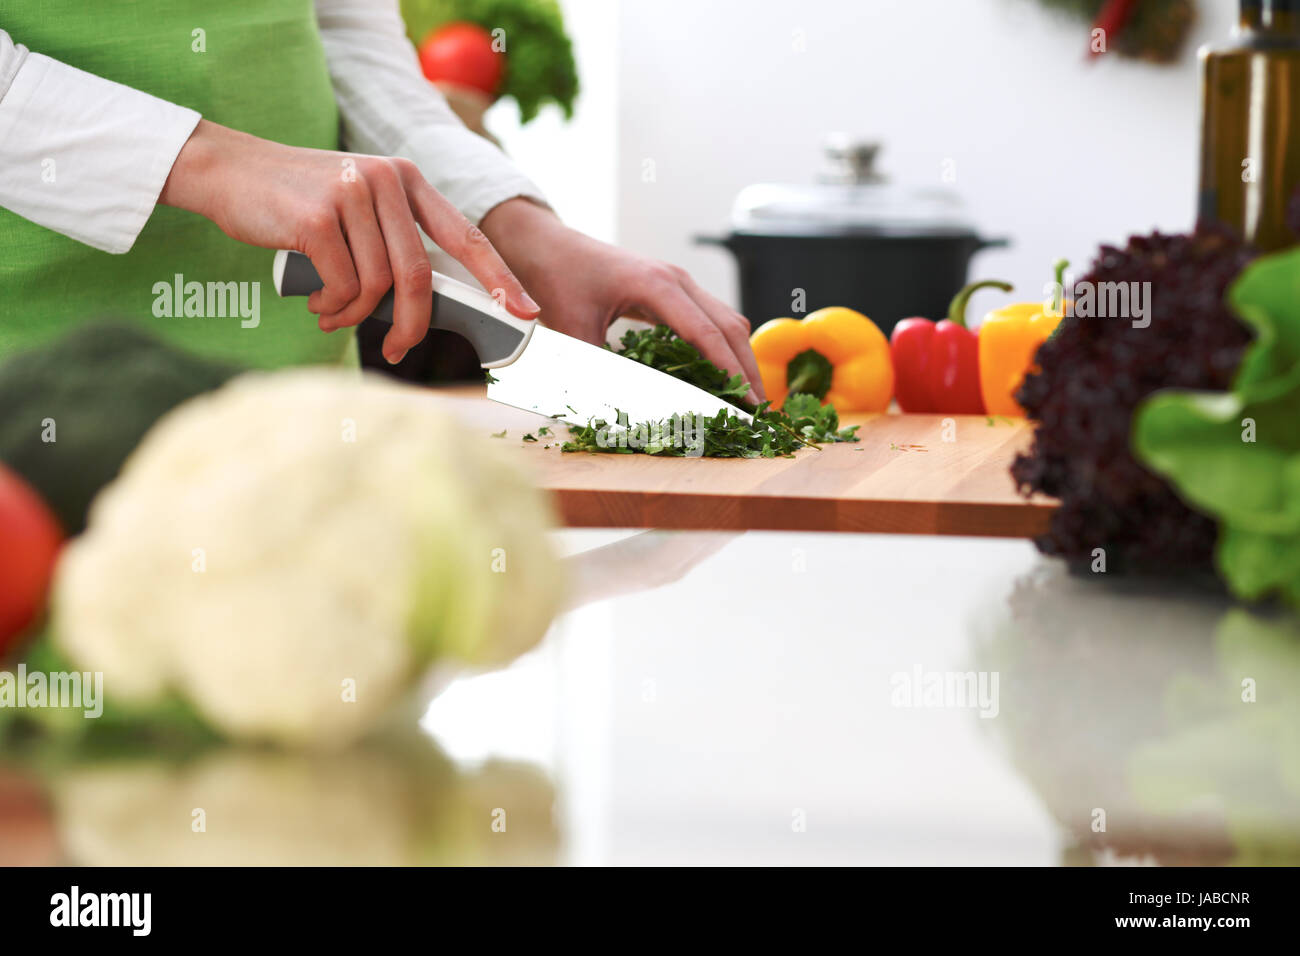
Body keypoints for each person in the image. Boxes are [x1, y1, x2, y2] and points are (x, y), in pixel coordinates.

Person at [0, 0, 763, 401]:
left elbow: (344, 32)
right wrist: (206, 161)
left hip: (296, 400)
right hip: (35, 399)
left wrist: (512, 225)